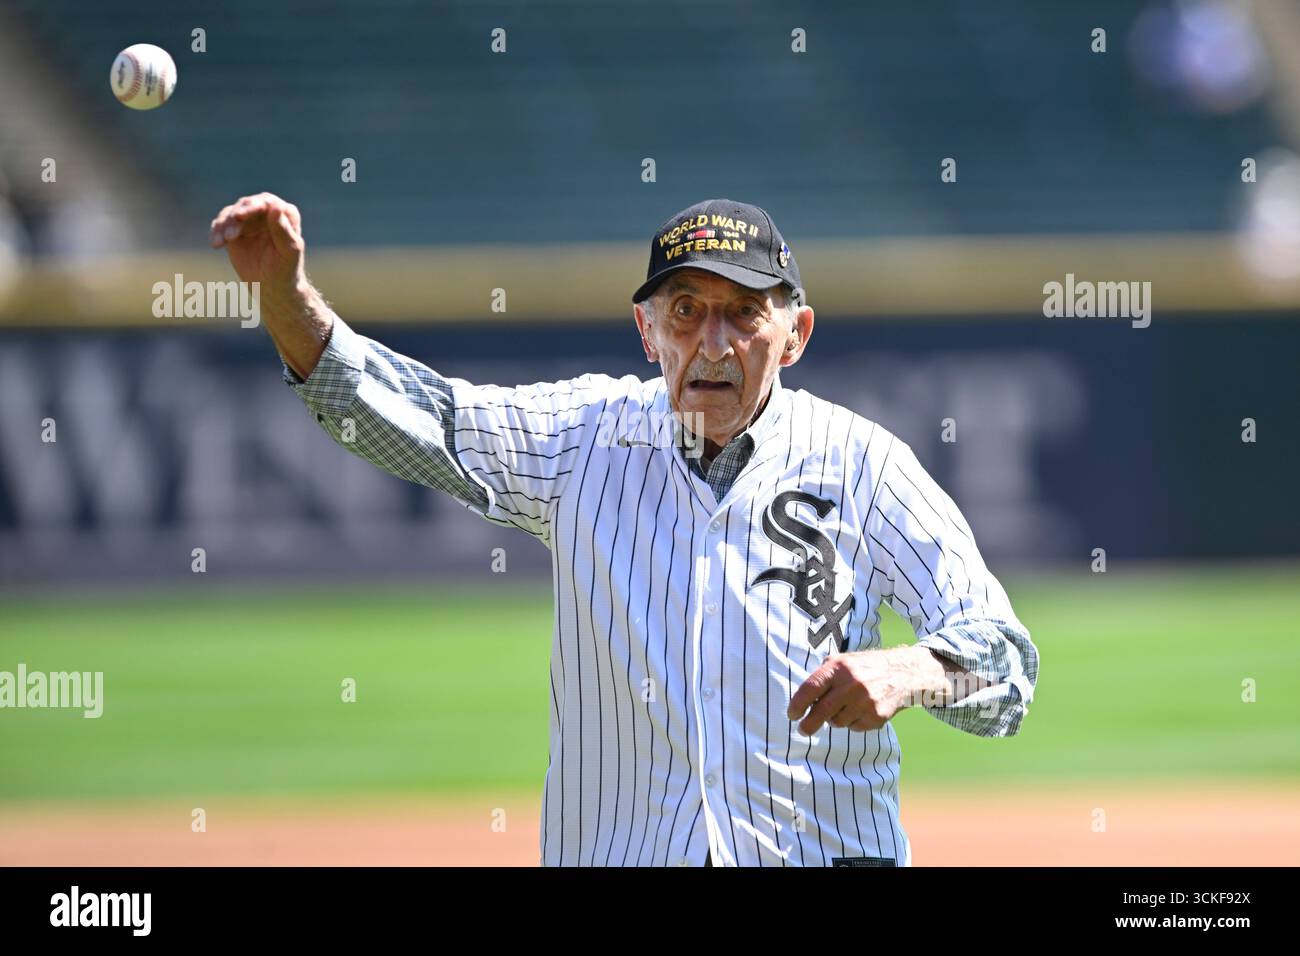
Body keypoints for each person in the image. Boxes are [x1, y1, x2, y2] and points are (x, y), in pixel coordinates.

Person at [210, 194, 1040, 867]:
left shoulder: (866, 464)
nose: (712, 343)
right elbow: (405, 413)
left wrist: (911, 669)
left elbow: (1008, 668)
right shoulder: (582, 438)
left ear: (796, 335)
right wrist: (283, 296)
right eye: (686, 311)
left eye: (745, 313)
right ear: (646, 331)